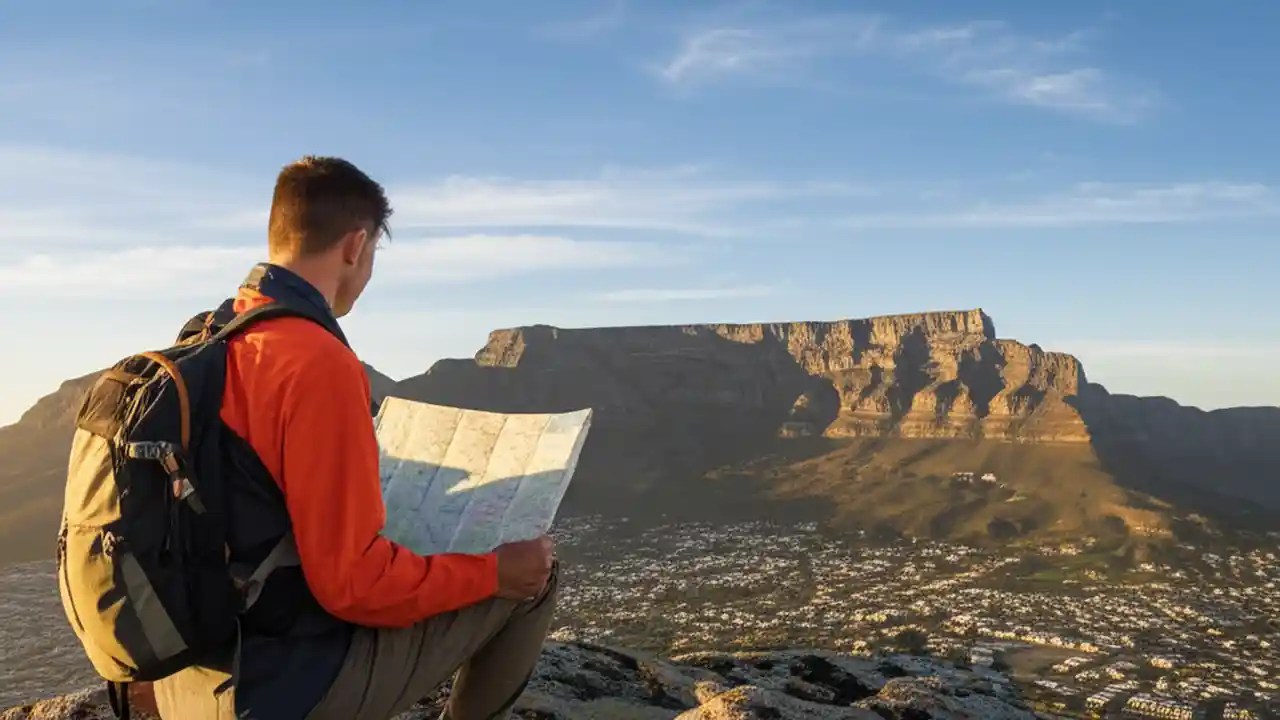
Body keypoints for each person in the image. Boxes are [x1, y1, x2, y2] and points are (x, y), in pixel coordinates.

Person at [150, 156, 559, 720]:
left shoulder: (213, 340)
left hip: (193, 675)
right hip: (277, 689)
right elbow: (352, 586)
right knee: (534, 576)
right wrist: (496, 572)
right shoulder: (318, 362)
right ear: (356, 246)